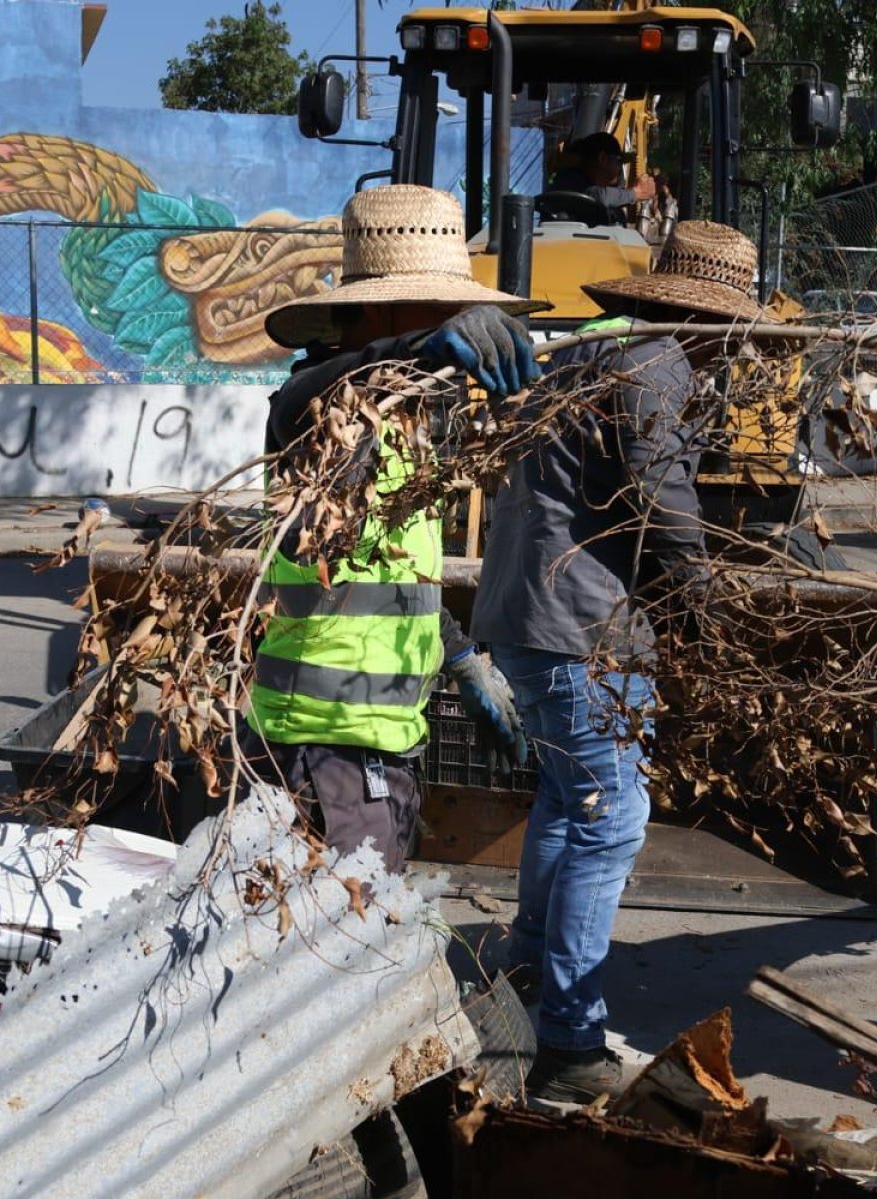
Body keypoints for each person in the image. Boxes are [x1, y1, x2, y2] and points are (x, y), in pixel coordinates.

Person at [472, 220, 761, 1104]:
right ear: (710, 317)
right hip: (579, 629)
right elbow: (663, 495)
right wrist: (707, 605)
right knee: (612, 817)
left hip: (528, 614)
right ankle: (569, 1038)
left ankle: (527, 970)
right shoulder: (658, 366)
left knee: (568, 801)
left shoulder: (591, 359)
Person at [247, 185, 540, 873]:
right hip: (325, 753)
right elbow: (305, 396)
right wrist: (416, 349)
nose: (455, 321)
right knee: (339, 955)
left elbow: (388, 576)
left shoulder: (405, 431)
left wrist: (461, 657)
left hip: (379, 748)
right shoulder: (320, 416)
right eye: (438, 307)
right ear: (378, 312)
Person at [548, 133, 655, 224]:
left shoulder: (573, 179)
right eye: (619, 161)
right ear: (602, 158)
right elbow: (598, 196)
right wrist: (636, 193)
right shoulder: (569, 179)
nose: (619, 168)